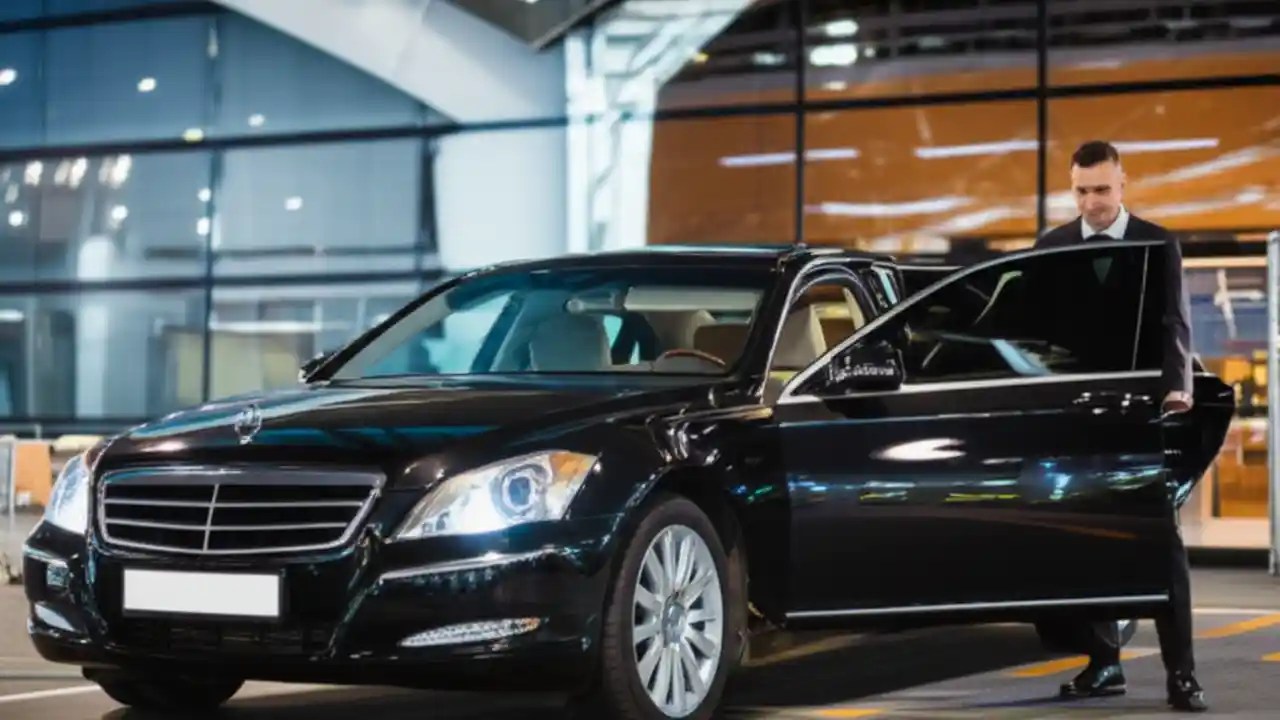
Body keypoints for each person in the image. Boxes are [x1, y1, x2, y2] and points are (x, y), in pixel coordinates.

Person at [1035, 140, 1205, 712]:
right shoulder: (1051, 246)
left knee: (1161, 548)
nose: (1091, 202)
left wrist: (1176, 388)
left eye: (1102, 190)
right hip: (1076, 420)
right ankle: (1103, 662)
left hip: (1142, 418)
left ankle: (1181, 674)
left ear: (1123, 184)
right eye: (1081, 190)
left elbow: (1175, 324)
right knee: (1079, 548)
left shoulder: (1159, 242)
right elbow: (1039, 337)